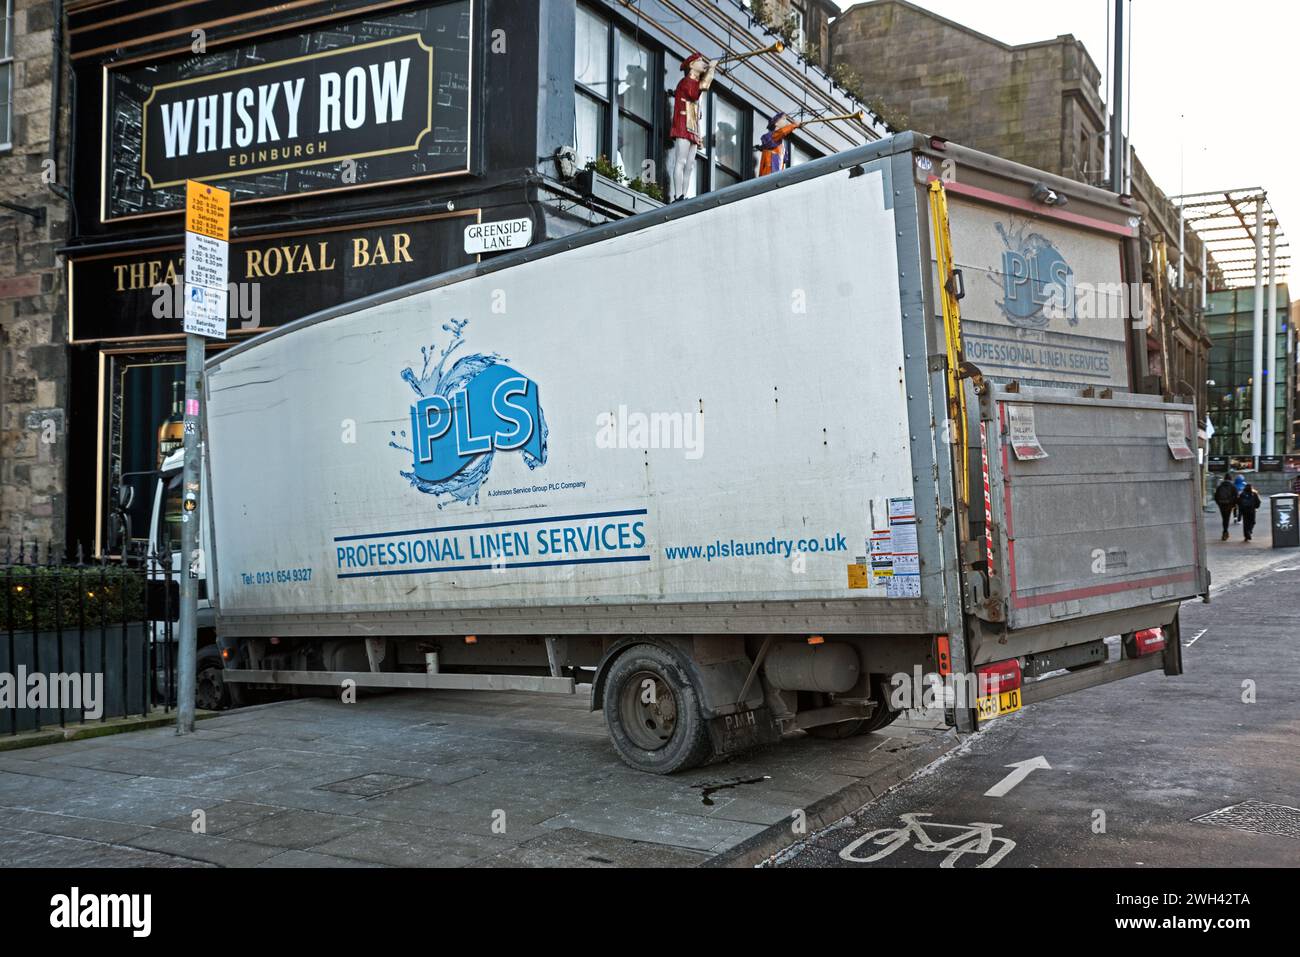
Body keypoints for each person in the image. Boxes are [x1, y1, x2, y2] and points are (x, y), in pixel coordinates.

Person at [668, 53, 718, 202]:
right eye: (700, 61)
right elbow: (694, 93)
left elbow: (698, 114)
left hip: (693, 129)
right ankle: (678, 195)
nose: (703, 63)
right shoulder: (686, 82)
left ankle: (684, 193)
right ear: (691, 65)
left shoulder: (696, 85)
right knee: (681, 161)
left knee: (689, 165)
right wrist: (711, 71)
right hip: (683, 126)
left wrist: (700, 135)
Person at [758, 112, 800, 176]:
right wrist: (793, 125)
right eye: (783, 119)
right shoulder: (771, 136)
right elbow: (782, 132)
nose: (786, 121)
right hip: (770, 171)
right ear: (776, 123)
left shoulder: (780, 142)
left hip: (776, 173)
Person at [1214, 474, 1239, 541]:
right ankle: (1225, 532)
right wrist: (1234, 504)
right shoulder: (1233, 486)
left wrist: (1218, 503)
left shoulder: (1220, 486)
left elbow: (1216, 496)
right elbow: (1236, 496)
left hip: (1221, 504)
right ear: (1230, 479)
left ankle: (1225, 532)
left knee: (1224, 518)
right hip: (1229, 505)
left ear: (1224, 479)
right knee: (1226, 518)